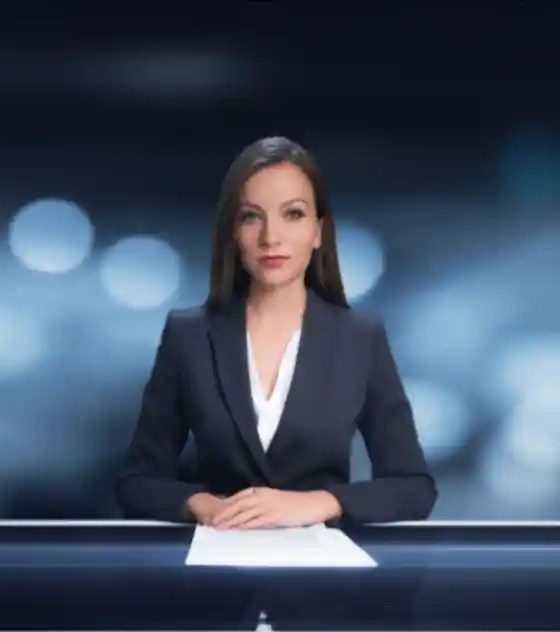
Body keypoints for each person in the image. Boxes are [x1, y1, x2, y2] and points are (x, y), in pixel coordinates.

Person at [115, 136, 437, 528]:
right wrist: (199, 503)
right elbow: (137, 483)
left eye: (293, 214)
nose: (271, 237)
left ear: (318, 231)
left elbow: (413, 488)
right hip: (217, 569)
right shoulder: (189, 336)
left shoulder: (360, 338)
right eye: (251, 216)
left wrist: (321, 502)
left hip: (324, 573)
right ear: (233, 231)